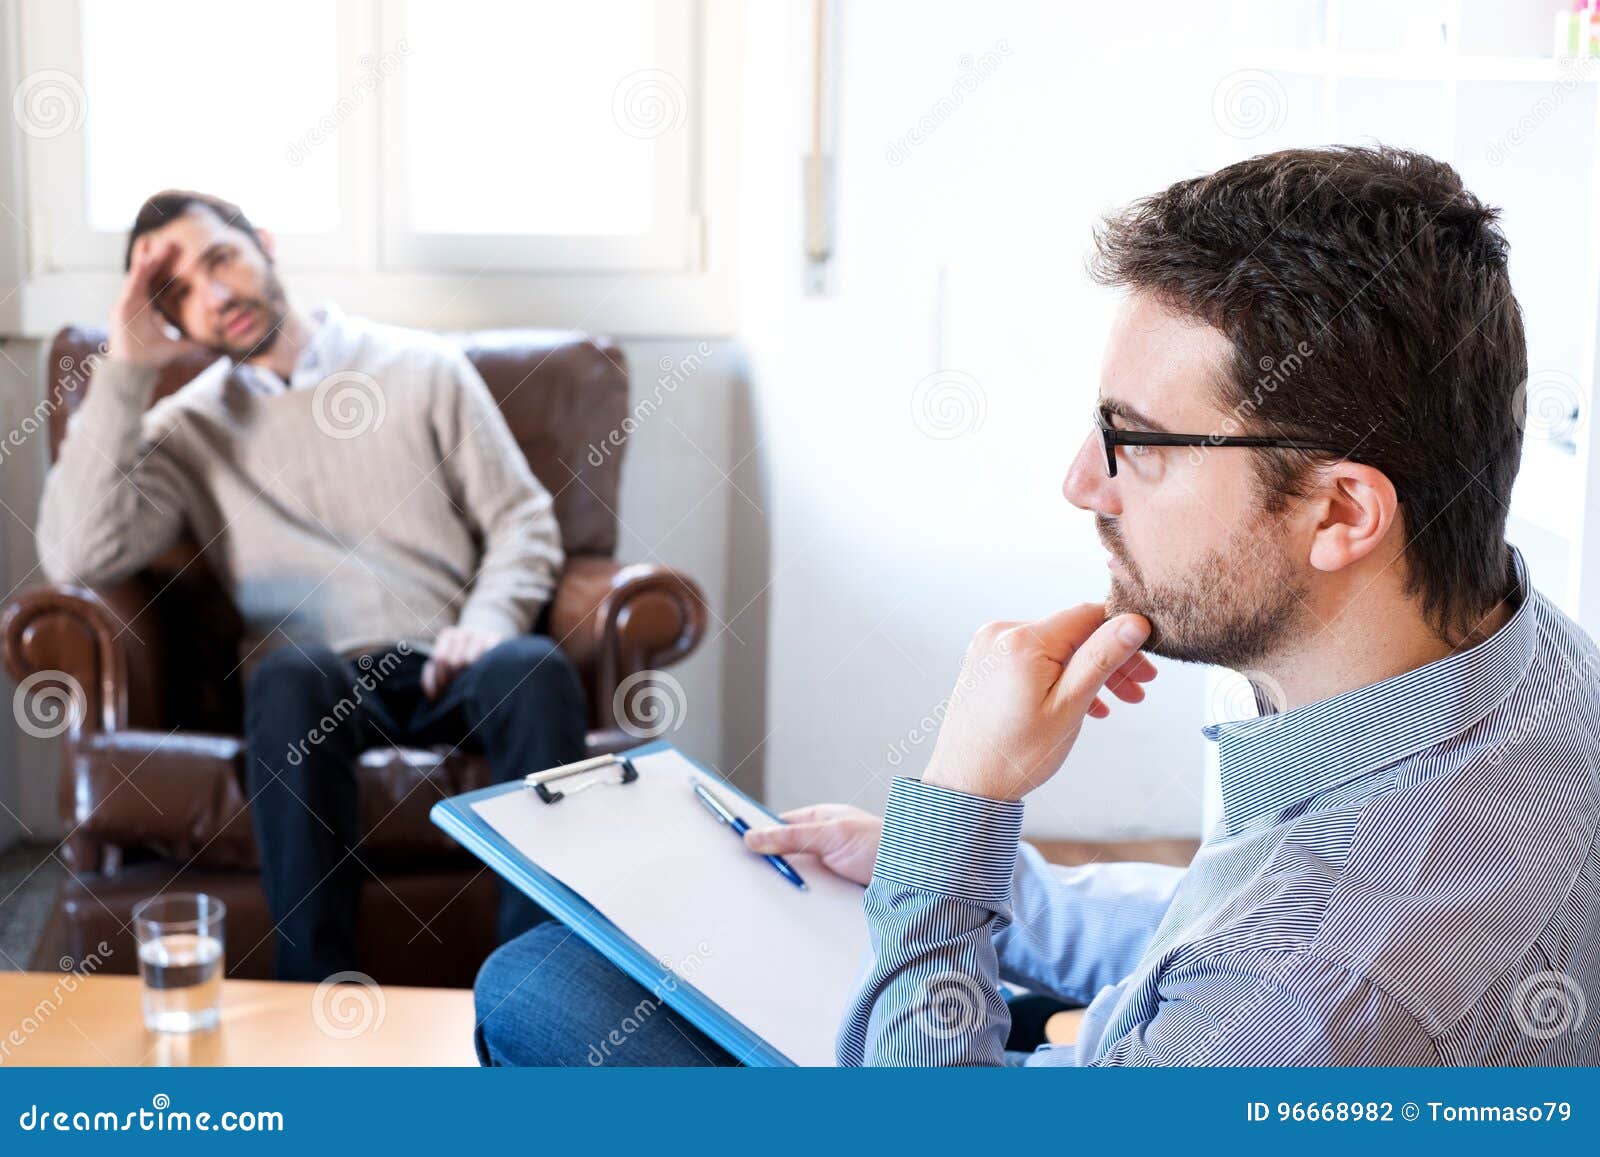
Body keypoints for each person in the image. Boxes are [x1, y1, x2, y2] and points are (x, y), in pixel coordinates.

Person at [473, 145, 1599, 1067]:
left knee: (537, 991)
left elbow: (1284, 969)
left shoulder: (1312, 987)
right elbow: (1231, 924)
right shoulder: (1523, 657)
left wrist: (960, 801)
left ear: (1340, 510)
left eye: (1136, 443)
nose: (1081, 482)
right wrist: (980, 875)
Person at [37, 190, 585, 982]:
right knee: (291, 673)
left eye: (220, 258)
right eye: (178, 292)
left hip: (450, 663)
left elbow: (523, 522)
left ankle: (537, 998)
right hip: (315, 687)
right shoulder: (187, 429)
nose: (215, 293)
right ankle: (316, 1004)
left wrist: (489, 620)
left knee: (534, 667)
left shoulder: (423, 367)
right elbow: (76, 555)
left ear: (262, 243)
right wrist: (123, 369)